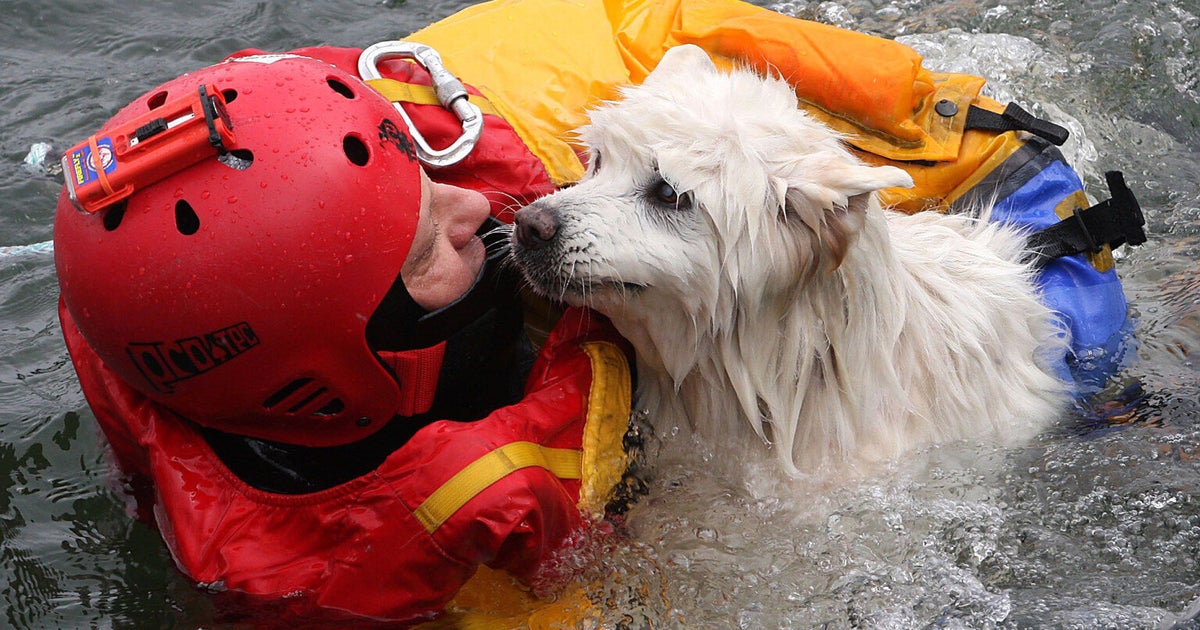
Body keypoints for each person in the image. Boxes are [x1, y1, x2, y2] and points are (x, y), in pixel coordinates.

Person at [54, 0, 1143, 625]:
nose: (497, 209)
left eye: (428, 177)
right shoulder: (240, 448)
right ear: (351, 346)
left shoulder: (461, 151)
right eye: (427, 238)